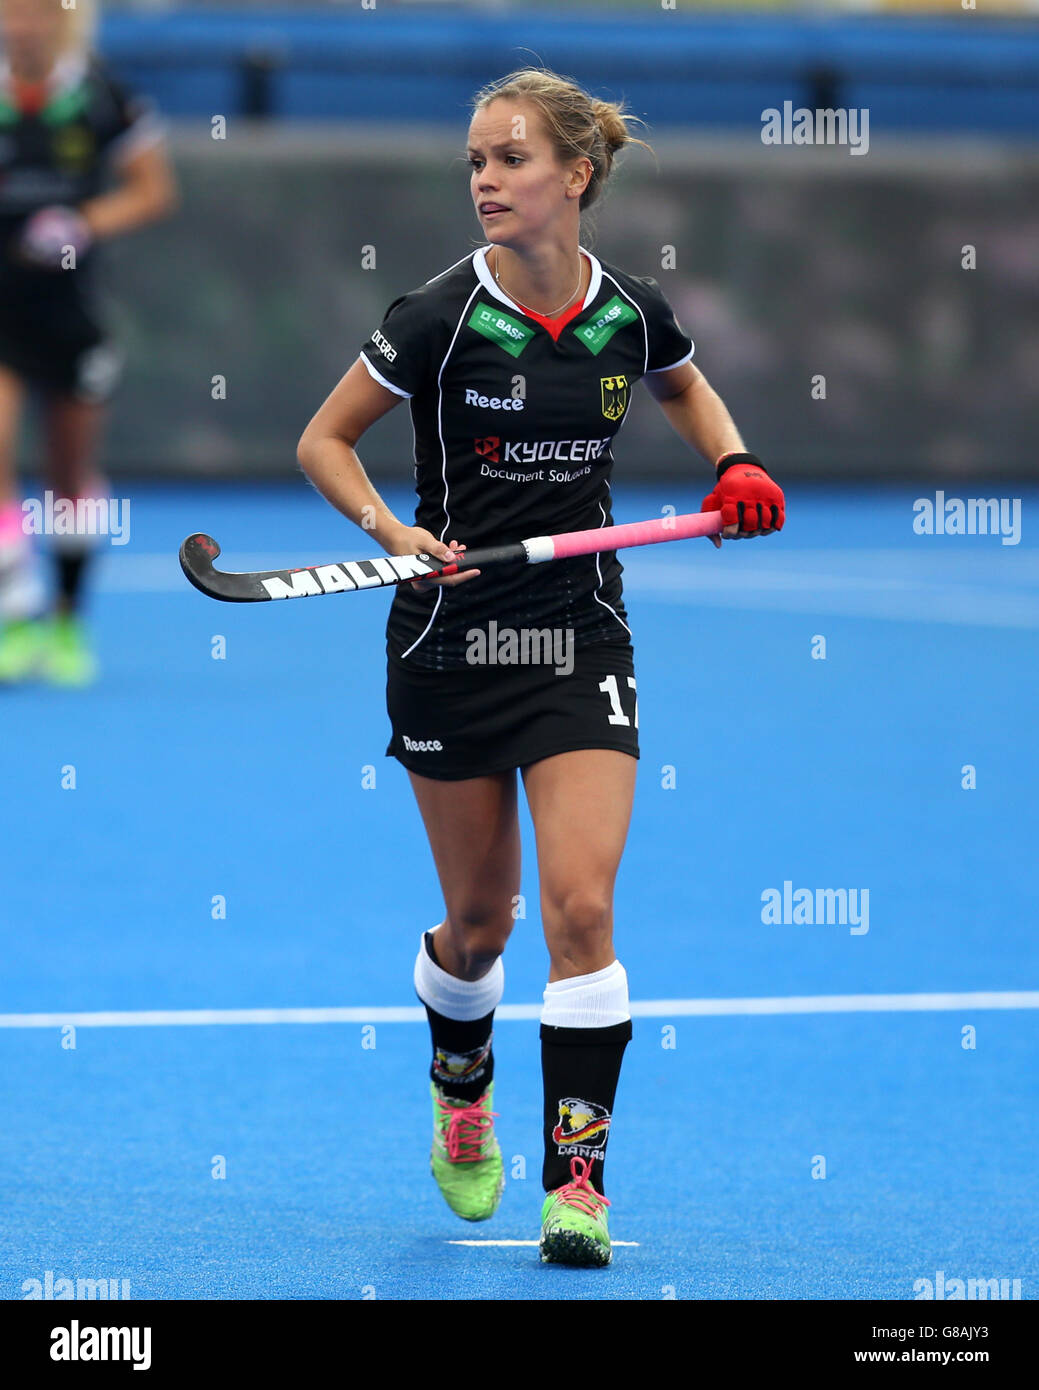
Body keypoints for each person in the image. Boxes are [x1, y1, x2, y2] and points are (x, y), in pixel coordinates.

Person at [297, 67, 784, 1267]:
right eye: (474, 162)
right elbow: (325, 440)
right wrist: (395, 534)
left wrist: (733, 461)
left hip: (576, 637)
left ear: (576, 173)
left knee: (580, 909)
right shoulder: (435, 315)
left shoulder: (629, 309)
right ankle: (460, 1076)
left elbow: (683, 382)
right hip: (450, 640)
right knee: (481, 923)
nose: (486, 181)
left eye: (509, 159)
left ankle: (580, 1185)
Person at [0, 0, 177, 686]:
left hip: (70, 317)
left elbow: (154, 190)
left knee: (69, 476)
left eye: (37, 12)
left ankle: (69, 620)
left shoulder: (103, 95)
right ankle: (15, 614)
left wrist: (82, 222)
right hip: (2, 315)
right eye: (10, 12)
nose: (21, 26)